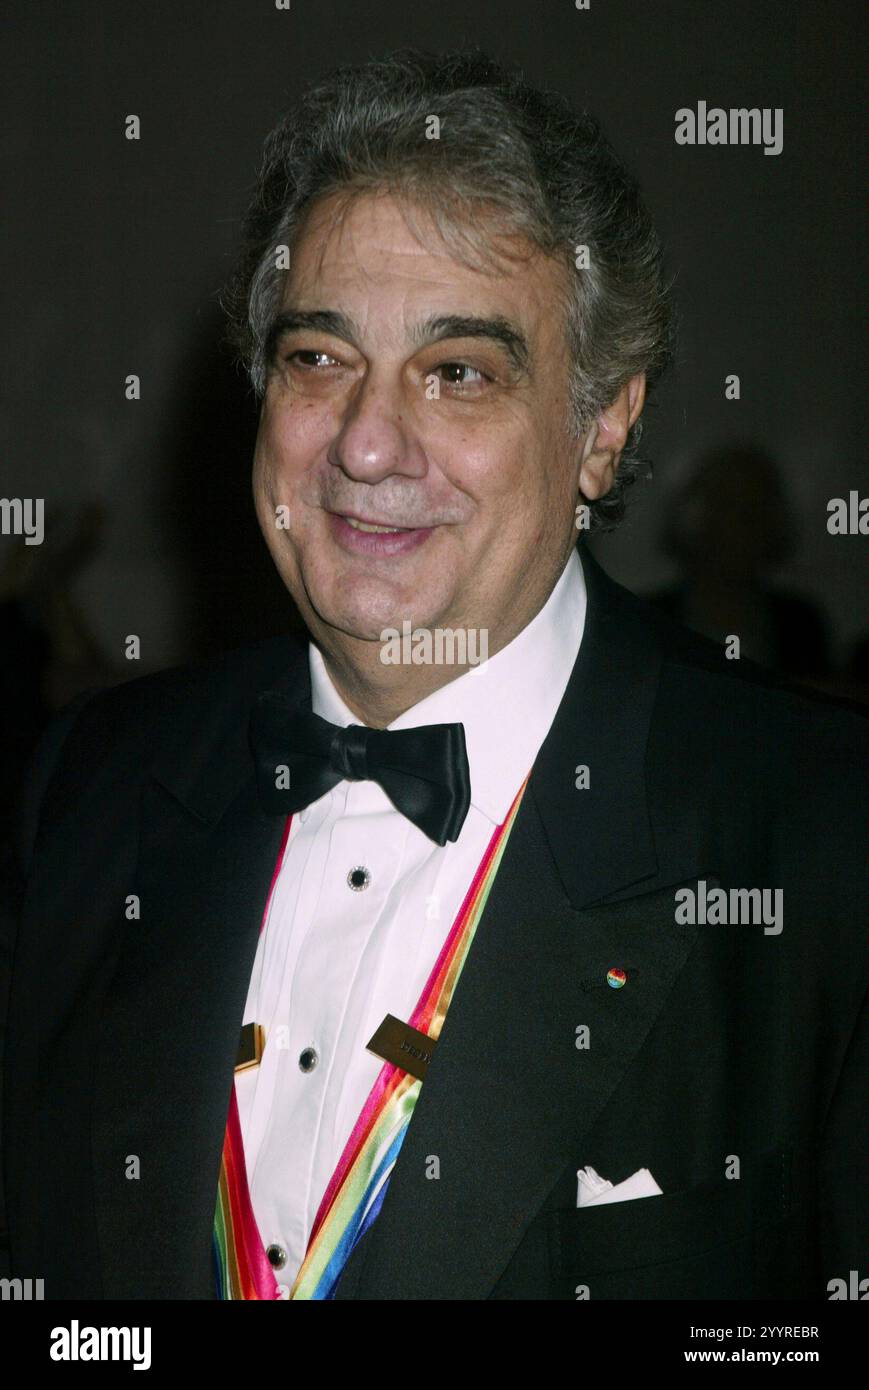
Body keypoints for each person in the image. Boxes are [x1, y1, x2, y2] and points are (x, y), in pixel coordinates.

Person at [2, 49, 866, 1301]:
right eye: (317, 358)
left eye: (457, 370)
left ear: (601, 427)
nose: (363, 440)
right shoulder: (90, 786)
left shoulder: (818, 839)